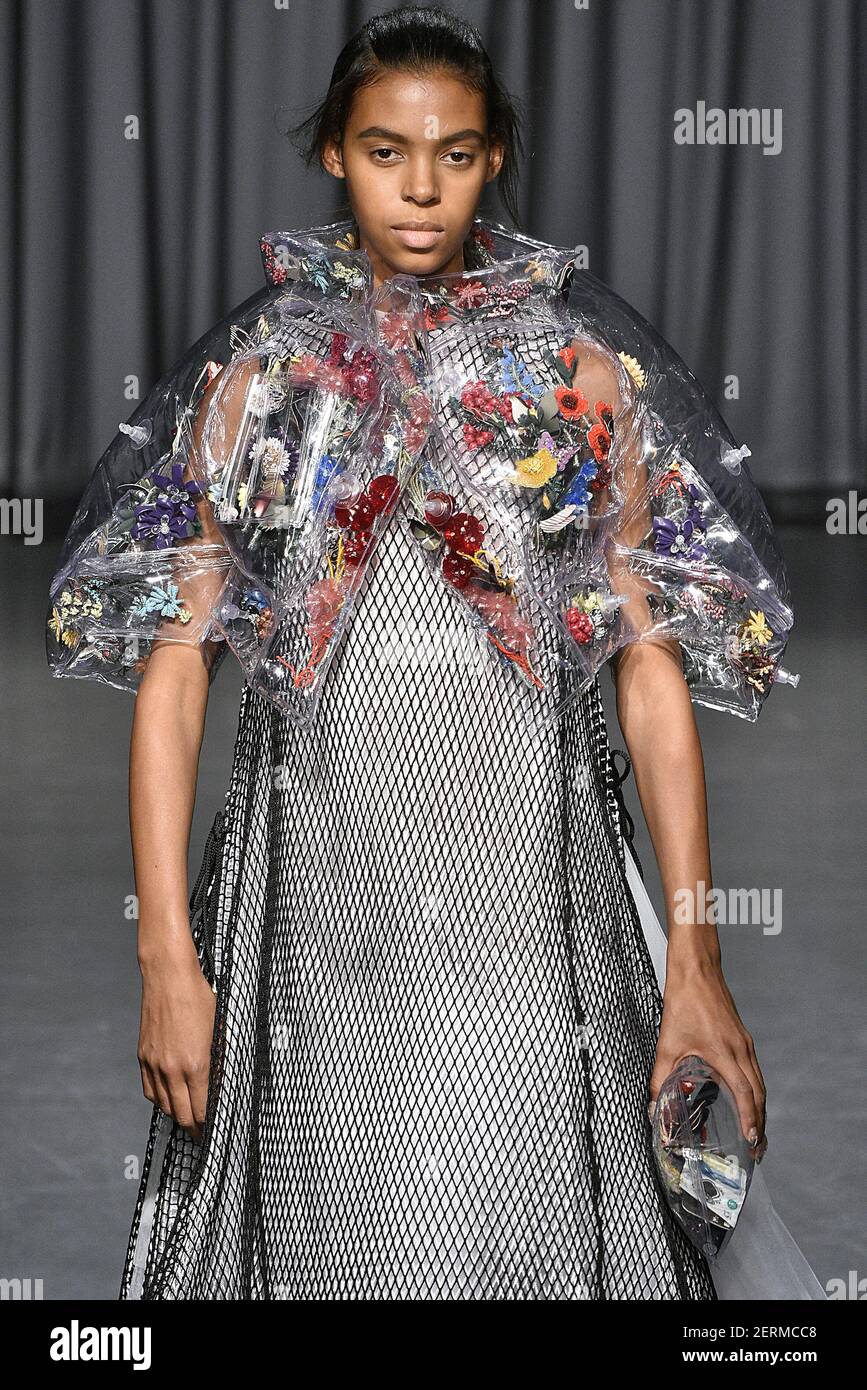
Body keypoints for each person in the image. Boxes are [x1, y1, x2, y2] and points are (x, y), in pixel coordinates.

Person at [47, 4, 825, 1300]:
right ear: (334, 157)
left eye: (456, 153)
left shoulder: (576, 384)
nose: (420, 188)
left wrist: (695, 957)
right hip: (315, 915)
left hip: (531, 907)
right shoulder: (261, 388)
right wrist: (165, 960)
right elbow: (177, 672)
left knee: (522, 1240)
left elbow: (648, 669)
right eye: (384, 150)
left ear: (498, 158)